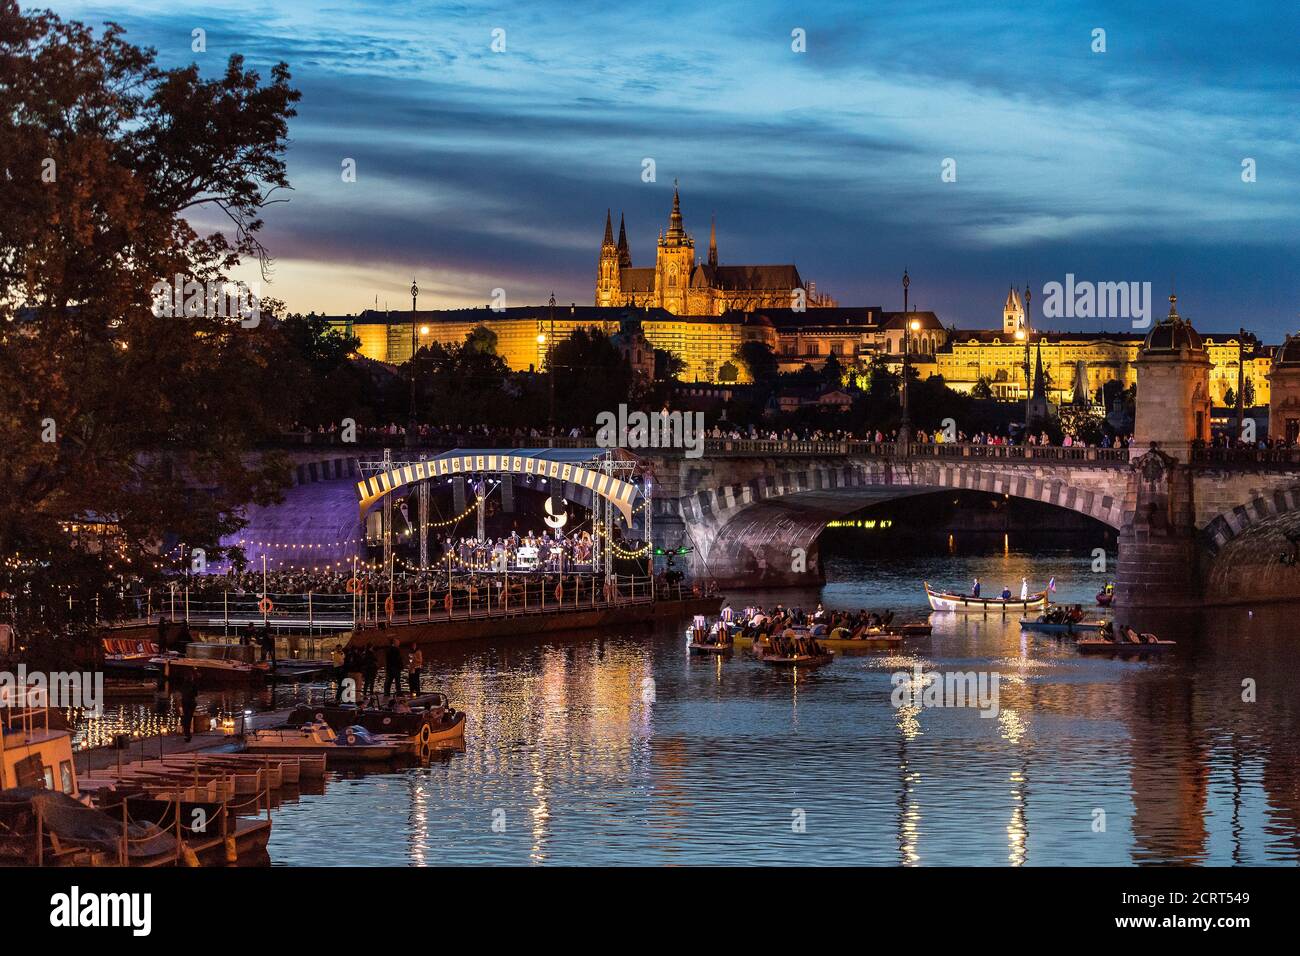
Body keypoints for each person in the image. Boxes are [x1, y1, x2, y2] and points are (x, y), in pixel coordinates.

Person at [179, 676, 199, 743]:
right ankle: (187, 734)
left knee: (185, 717)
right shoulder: (193, 684)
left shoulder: (183, 685)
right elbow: (196, 694)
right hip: (191, 702)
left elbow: (181, 692)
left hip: (184, 702)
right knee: (189, 718)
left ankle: (186, 733)